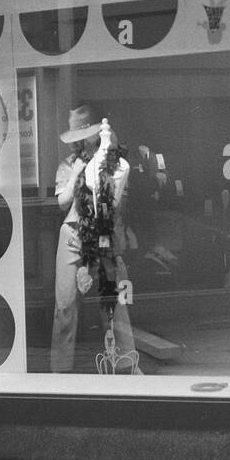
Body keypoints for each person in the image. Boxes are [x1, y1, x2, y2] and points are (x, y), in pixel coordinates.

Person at [50, 105, 138, 374]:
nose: (78, 142)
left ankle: (125, 365)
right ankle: (60, 372)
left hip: (102, 235)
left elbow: (115, 207)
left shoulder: (115, 165)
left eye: (84, 134)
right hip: (72, 235)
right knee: (64, 305)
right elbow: (62, 204)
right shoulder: (67, 165)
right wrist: (76, 172)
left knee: (114, 303)